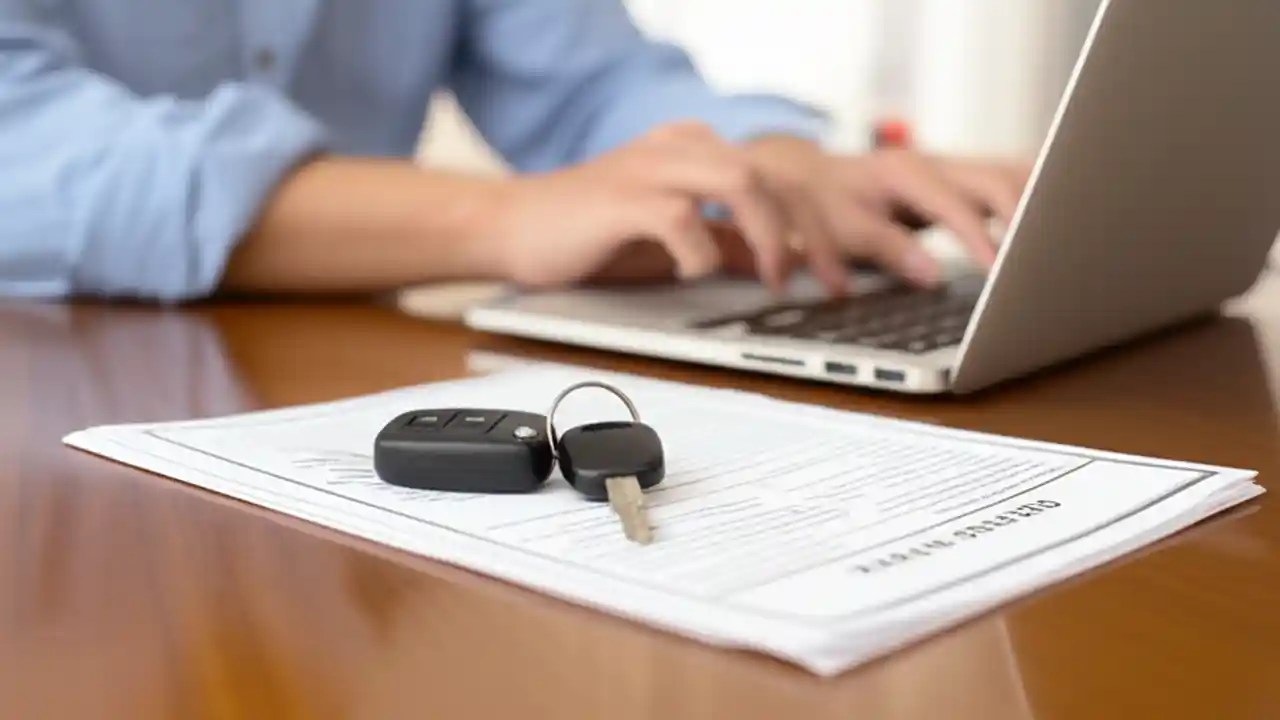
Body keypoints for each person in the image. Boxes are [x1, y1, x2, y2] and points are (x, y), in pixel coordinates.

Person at [0, 1, 1026, 303]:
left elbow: (593, 82)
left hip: (332, 397)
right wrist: (499, 219)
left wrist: (768, 160)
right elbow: (26, 145)